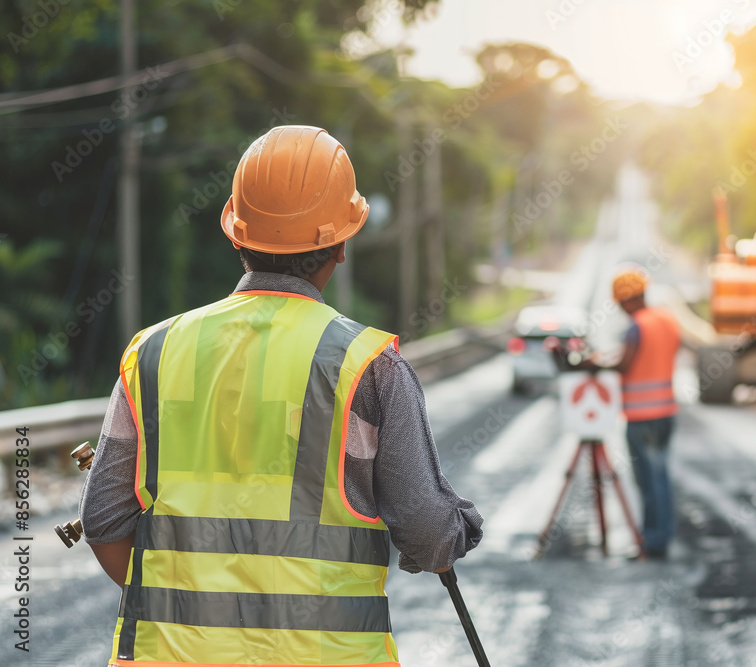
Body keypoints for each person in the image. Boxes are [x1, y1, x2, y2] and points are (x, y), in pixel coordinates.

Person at [79, 125, 483, 666]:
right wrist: (459, 527)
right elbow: (430, 537)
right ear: (340, 245)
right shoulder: (369, 366)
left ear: (236, 235)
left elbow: (103, 522)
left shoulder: (151, 353)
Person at [604, 269, 682, 560]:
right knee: (661, 476)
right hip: (666, 413)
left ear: (626, 300)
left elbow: (625, 364)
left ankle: (654, 542)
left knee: (649, 481)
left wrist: (595, 364)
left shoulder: (637, 326)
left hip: (641, 417)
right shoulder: (667, 319)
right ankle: (663, 534)